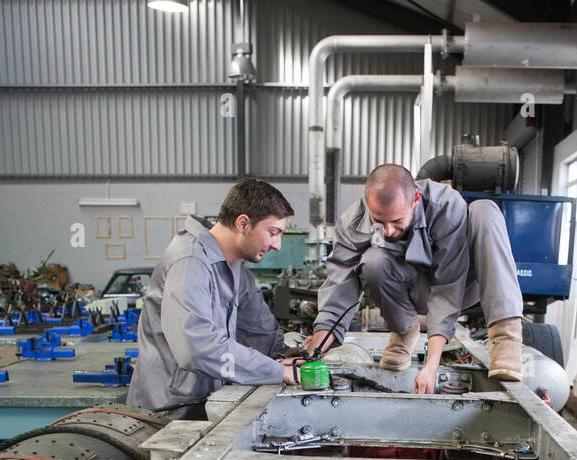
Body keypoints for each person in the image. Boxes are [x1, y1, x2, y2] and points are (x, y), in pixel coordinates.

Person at [305, 163, 523, 394]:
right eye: (379, 221)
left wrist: (432, 364)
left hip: (461, 287)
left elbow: (447, 287)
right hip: (410, 291)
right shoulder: (353, 222)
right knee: (373, 261)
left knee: (484, 210)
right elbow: (339, 287)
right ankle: (404, 333)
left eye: (397, 221)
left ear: (416, 199)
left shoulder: (447, 205)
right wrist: (311, 354)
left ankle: (506, 338)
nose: (387, 231)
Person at [127, 178, 300, 416]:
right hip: (165, 413)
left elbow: (259, 331)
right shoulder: (190, 261)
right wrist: (278, 372)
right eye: (273, 233)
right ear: (243, 223)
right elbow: (197, 348)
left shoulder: (235, 265)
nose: (277, 245)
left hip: (204, 405)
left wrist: (293, 354)